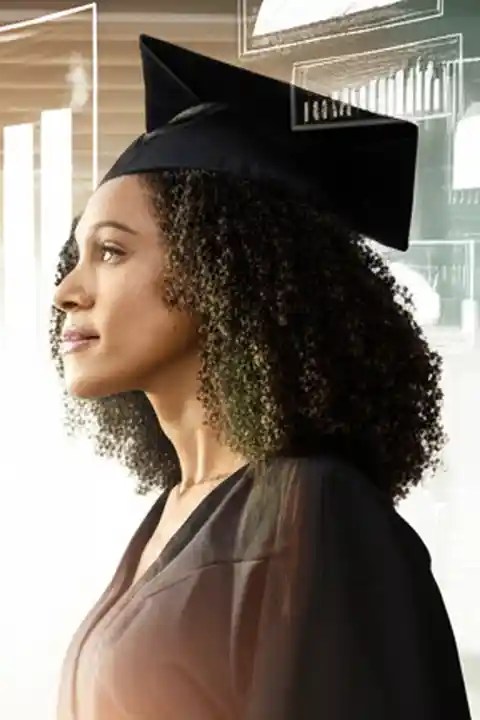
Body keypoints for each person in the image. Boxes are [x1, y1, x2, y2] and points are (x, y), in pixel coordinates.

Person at [50, 35, 471, 719]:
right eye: (75, 256)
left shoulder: (315, 511)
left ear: (224, 271)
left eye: (109, 252)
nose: (68, 289)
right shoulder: (177, 511)